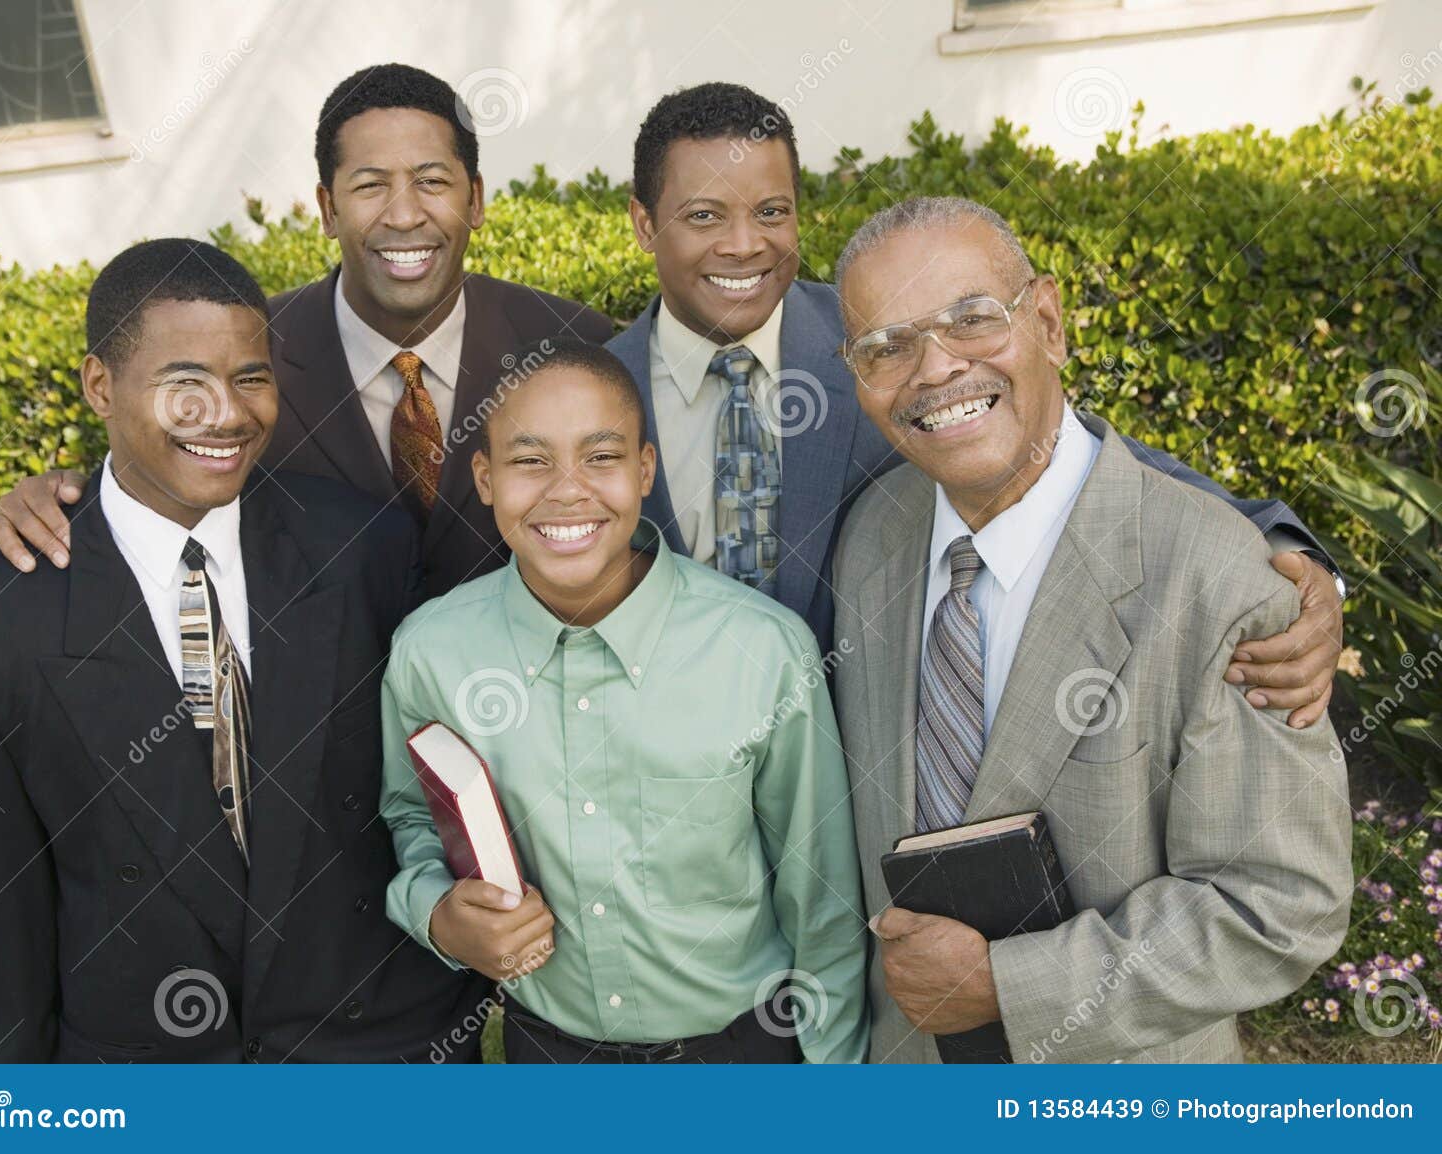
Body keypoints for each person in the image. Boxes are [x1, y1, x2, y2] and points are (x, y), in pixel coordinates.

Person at [0, 239, 483, 1062]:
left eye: (251, 377)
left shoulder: (364, 547)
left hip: (381, 1052)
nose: (228, 412)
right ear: (99, 386)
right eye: (184, 384)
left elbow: (426, 793)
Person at [609, 82, 1344, 725]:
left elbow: (1074, 455)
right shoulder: (591, 391)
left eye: (772, 211)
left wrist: (1289, 562)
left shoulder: (883, 343)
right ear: (645, 224)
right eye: (704, 217)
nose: (745, 246)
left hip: (856, 800)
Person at [828, 198, 1352, 1063]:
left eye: (970, 319)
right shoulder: (873, 536)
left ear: (1047, 322)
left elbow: (1280, 901)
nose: (935, 367)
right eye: (886, 347)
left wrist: (1010, 985)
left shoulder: (1219, 578)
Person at [378, 339, 868, 1063]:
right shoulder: (431, 651)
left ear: (645, 470)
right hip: (547, 1058)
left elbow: (822, 900)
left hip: (742, 1058)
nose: (567, 489)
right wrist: (436, 913)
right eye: (530, 459)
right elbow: (412, 812)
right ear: (484, 478)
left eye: (601, 457)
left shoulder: (763, 651)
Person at [0, 63, 612, 600]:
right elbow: (153, 477)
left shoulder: (574, 342)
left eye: (432, 181)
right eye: (369, 186)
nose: (405, 213)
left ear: (475, 200)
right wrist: (54, 503)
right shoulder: (245, 353)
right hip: (314, 731)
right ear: (328, 209)